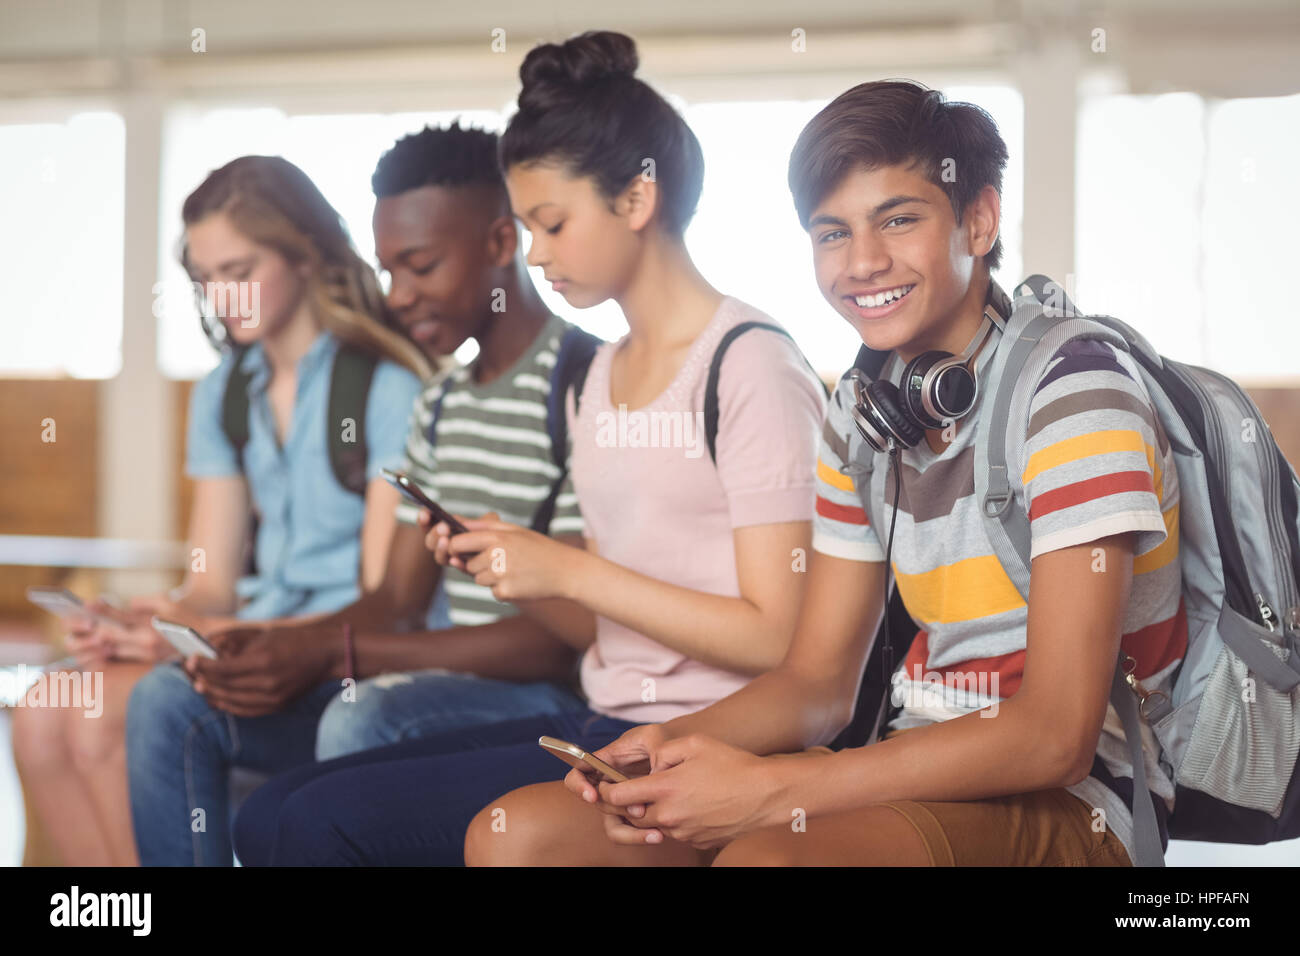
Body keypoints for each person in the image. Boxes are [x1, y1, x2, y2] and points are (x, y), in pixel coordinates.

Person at [466, 78, 1186, 868]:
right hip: (903, 759)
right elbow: (815, 684)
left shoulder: (1075, 388)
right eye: (831, 233)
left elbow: (1055, 737)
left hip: (1077, 803)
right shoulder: (863, 407)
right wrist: (668, 746)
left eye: (899, 220)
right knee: (521, 839)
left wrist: (774, 795)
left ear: (978, 219)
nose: (862, 262)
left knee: (765, 861)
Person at [229, 30, 828, 866]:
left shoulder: (749, 363)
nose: (537, 255)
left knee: (317, 824)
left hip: (715, 743)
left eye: (551, 224)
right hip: (599, 720)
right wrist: (515, 563)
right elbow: (601, 629)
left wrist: (571, 569)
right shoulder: (602, 376)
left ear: (635, 201)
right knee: (270, 813)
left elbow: (782, 638)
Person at [162, 123, 603, 783]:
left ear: (501, 243)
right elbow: (395, 599)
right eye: (389, 269)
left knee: (360, 716)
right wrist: (275, 644)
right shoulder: (441, 401)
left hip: (548, 696)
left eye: (420, 267)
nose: (396, 295)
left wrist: (327, 654)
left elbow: (563, 640)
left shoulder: (584, 384)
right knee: (173, 708)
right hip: (434, 677)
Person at [99, 155, 435, 867]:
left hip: (342, 664)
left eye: (240, 271)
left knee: (162, 705)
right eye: (204, 279)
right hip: (254, 634)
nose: (223, 299)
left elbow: (383, 607)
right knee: (65, 705)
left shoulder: (384, 387)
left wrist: (216, 634)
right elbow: (212, 582)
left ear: (305, 253)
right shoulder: (226, 392)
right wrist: (163, 619)